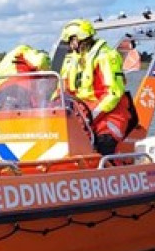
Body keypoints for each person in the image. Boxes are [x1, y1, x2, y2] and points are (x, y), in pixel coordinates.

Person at [58, 18, 138, 155]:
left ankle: (110, 171)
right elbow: (62, 90)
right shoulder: (71, 60)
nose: (70, 46)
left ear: (80, 39)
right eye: (69, 42)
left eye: (72, 41)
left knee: (103, 146)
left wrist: (90, 116)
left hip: (110, 116)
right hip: (82, 116)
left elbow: (113, 93)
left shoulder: (106, 57)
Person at [0, 44, 51, 110]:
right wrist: (48, 65)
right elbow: (40, 61)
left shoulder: (7, 60)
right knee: (26, 113)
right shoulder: (25, 50)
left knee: (3, 114)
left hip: (1, 90)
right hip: (19, 85)